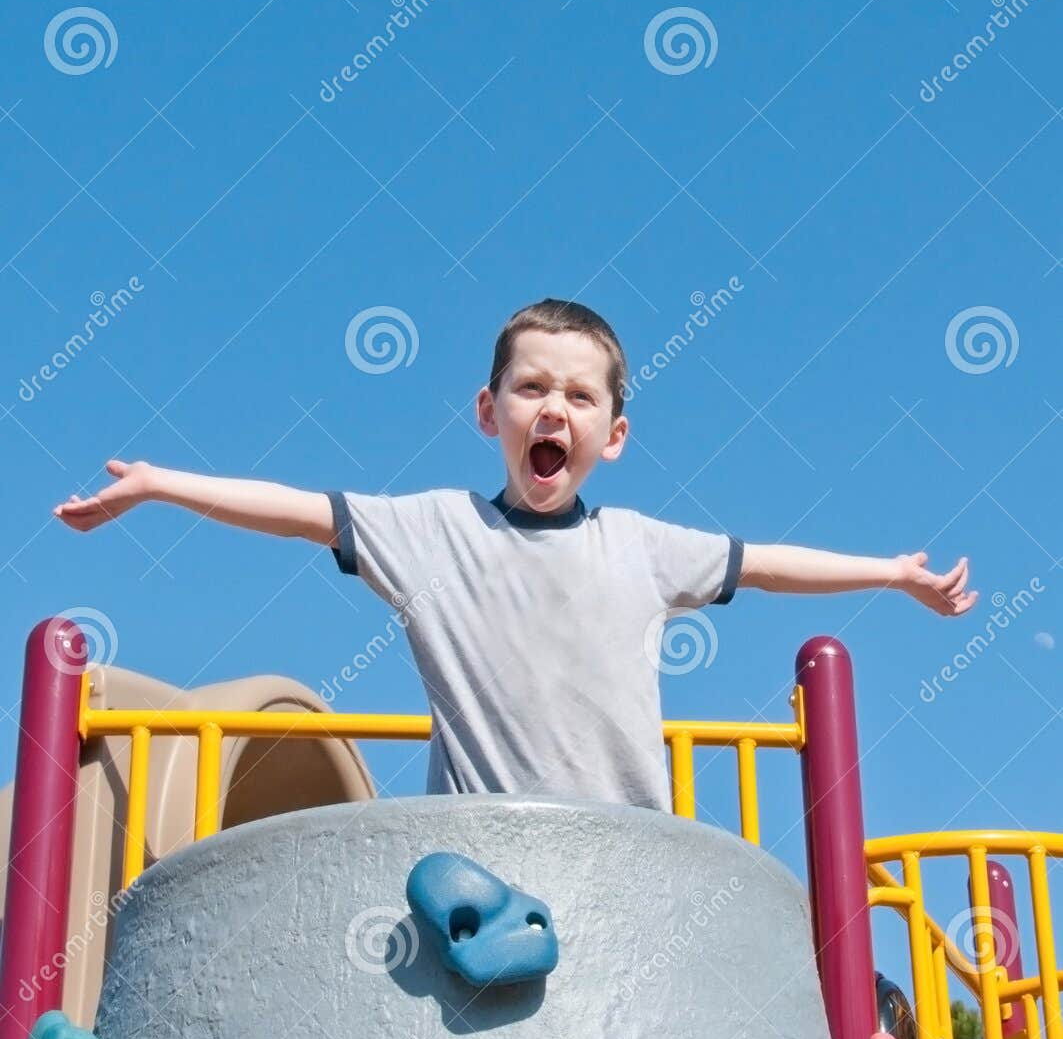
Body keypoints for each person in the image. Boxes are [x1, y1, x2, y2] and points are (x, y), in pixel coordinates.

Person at [52, 298, 977, 813]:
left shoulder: (640, 549)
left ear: (610, 436)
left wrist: (891, 574)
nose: (553, 409)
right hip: (480, 852)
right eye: (530, 387)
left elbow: (768, 562)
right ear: (487, 413)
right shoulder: (434, 532)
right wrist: (162, 483)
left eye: (578, 397)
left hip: (622, 849)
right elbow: (298, 510)